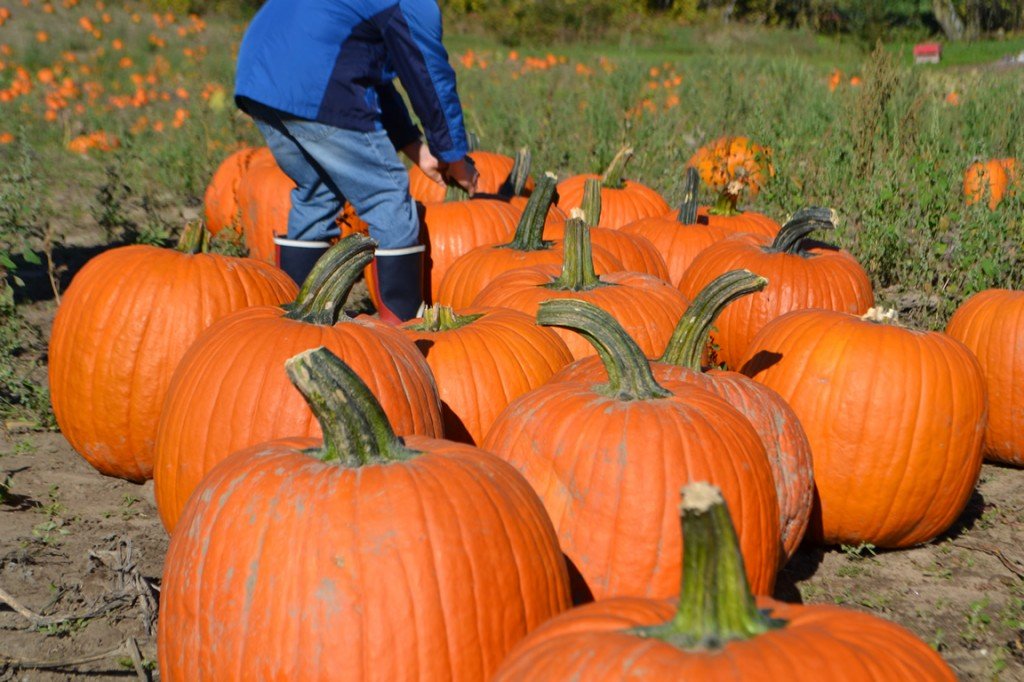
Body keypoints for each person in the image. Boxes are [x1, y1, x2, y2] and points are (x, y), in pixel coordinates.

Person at [234, 0, 479, 323]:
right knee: (387, 195)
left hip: (260, 83)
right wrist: (453, 155)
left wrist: (415, 147)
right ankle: (403, 326)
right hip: (315, 83)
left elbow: (370, 70)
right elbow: (428, 75)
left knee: (317, 190)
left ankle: (298, 320)